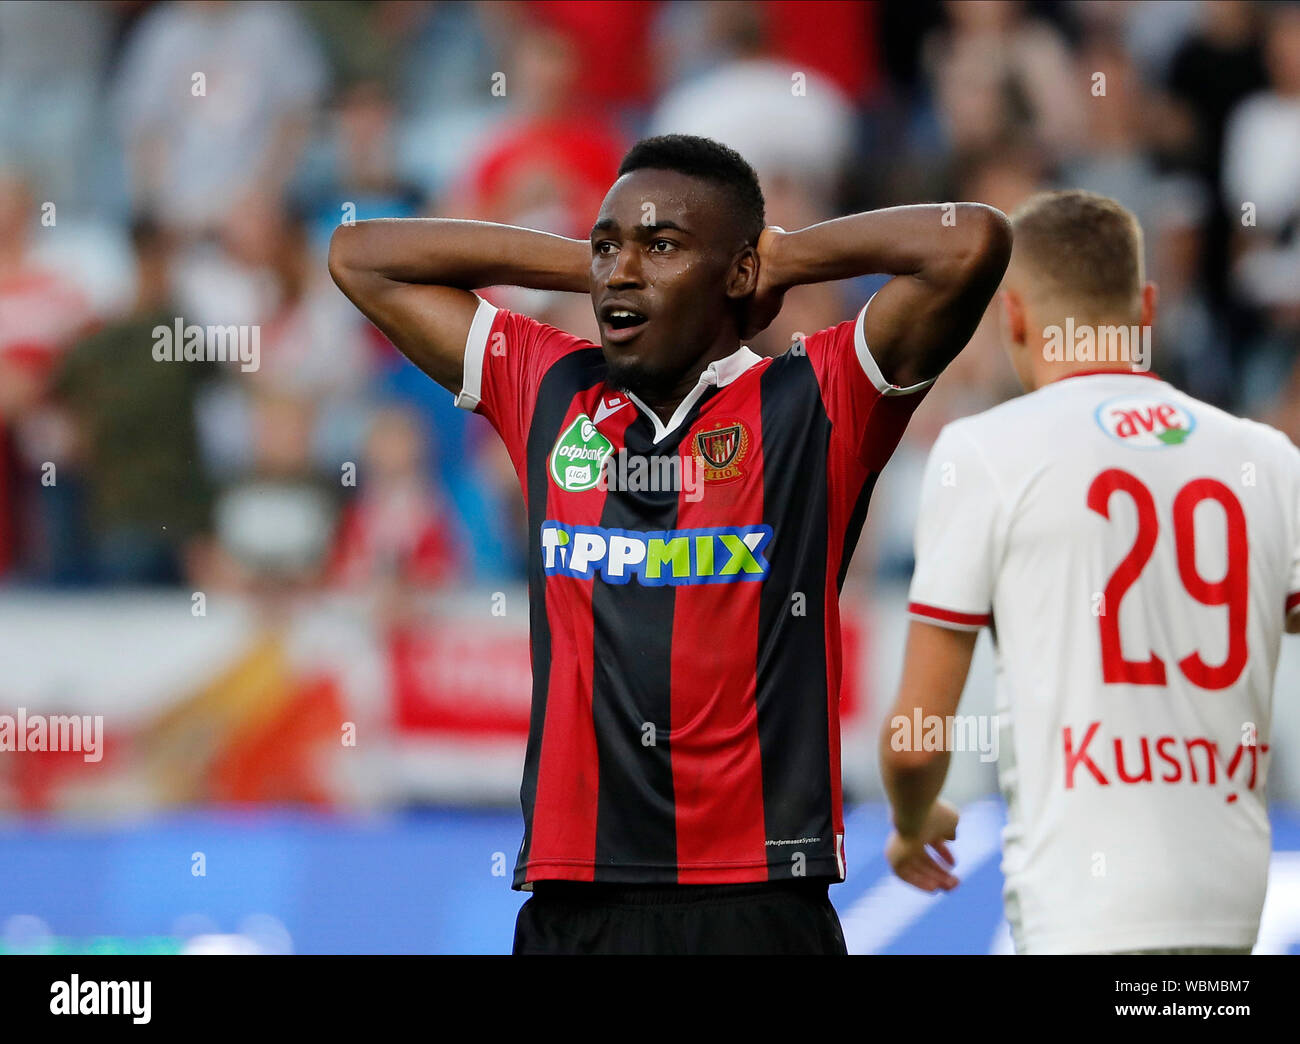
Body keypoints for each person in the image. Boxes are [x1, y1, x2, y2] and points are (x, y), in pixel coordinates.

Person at [330, 133, 1010, 955]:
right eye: (608, 245)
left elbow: (969, 242)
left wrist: (784, 258)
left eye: (661, 247)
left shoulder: (817, 398)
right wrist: (594, 265)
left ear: (738, 272)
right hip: (576, 901)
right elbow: (360, 256)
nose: (622, 271)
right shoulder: (549, 384)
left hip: (759, 902)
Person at [880, 189, 1300, 955]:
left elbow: (915, 738)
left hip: (1080, 905)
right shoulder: (1266, 458)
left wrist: (912, 824)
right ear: (1147, 310)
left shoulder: (986, 453)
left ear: (1012, 316)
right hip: (1230, 904)